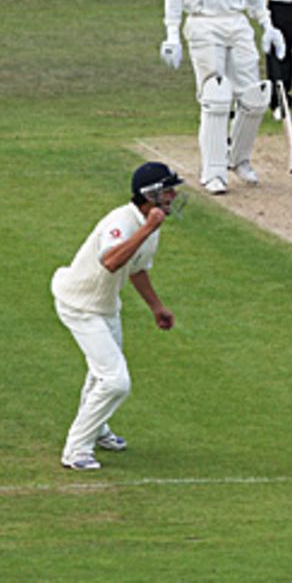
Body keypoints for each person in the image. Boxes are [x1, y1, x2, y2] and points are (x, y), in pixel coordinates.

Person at [52, 162, 183, 470]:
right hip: (79, 305)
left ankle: (97, 430)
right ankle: (75, 450)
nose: (174, 195)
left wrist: (156, 307)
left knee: (101, 374)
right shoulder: (122, 222)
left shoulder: (151, 224)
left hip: (105, 305)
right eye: (168, 190)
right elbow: (111, 261)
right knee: (115, 381)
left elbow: (136, 269)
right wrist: (147, 228)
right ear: (149, 195)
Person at [161, 0, 285, 195]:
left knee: (254, 96)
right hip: (203, 23)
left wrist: (268, 25)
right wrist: (172, 33)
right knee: (216, 97)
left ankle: (239, 160)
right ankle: (213, 171)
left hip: (238, 21)